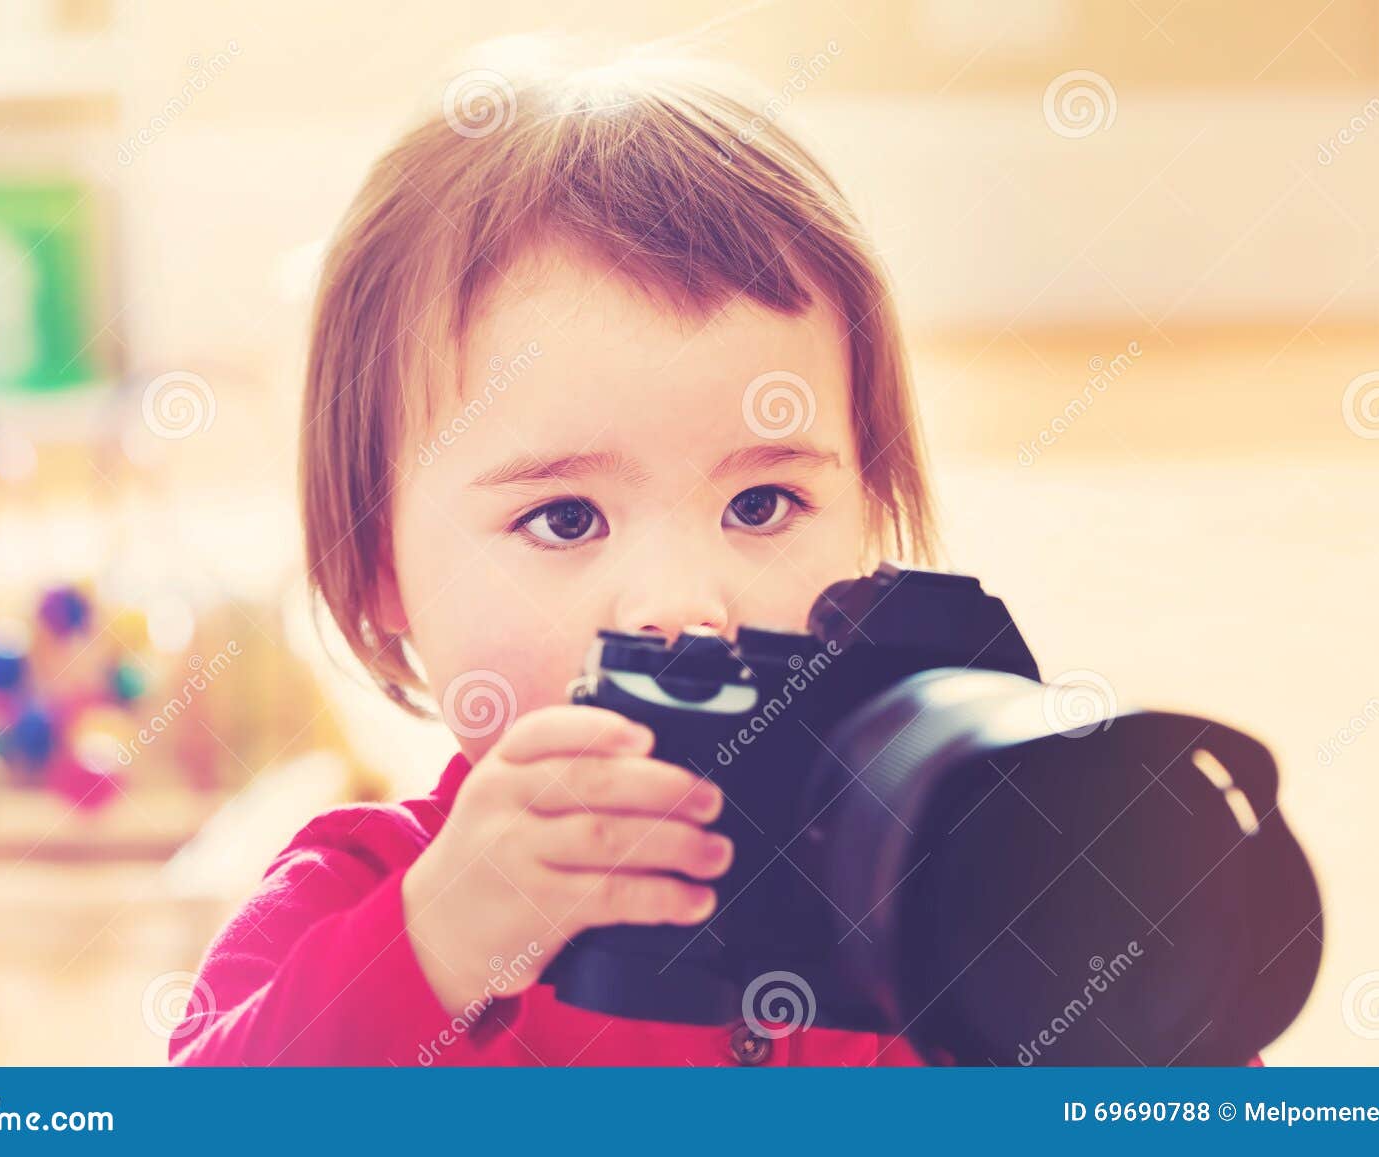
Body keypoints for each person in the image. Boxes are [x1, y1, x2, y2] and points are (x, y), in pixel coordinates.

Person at [169, 47, 1259, 1068]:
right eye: (565, 520)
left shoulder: (934, 883)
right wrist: (434, 951)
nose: (685, 607)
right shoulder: (363, 905)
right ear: (378, 569)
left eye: (761, 500)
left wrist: (1119, 944)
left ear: (868, 515)